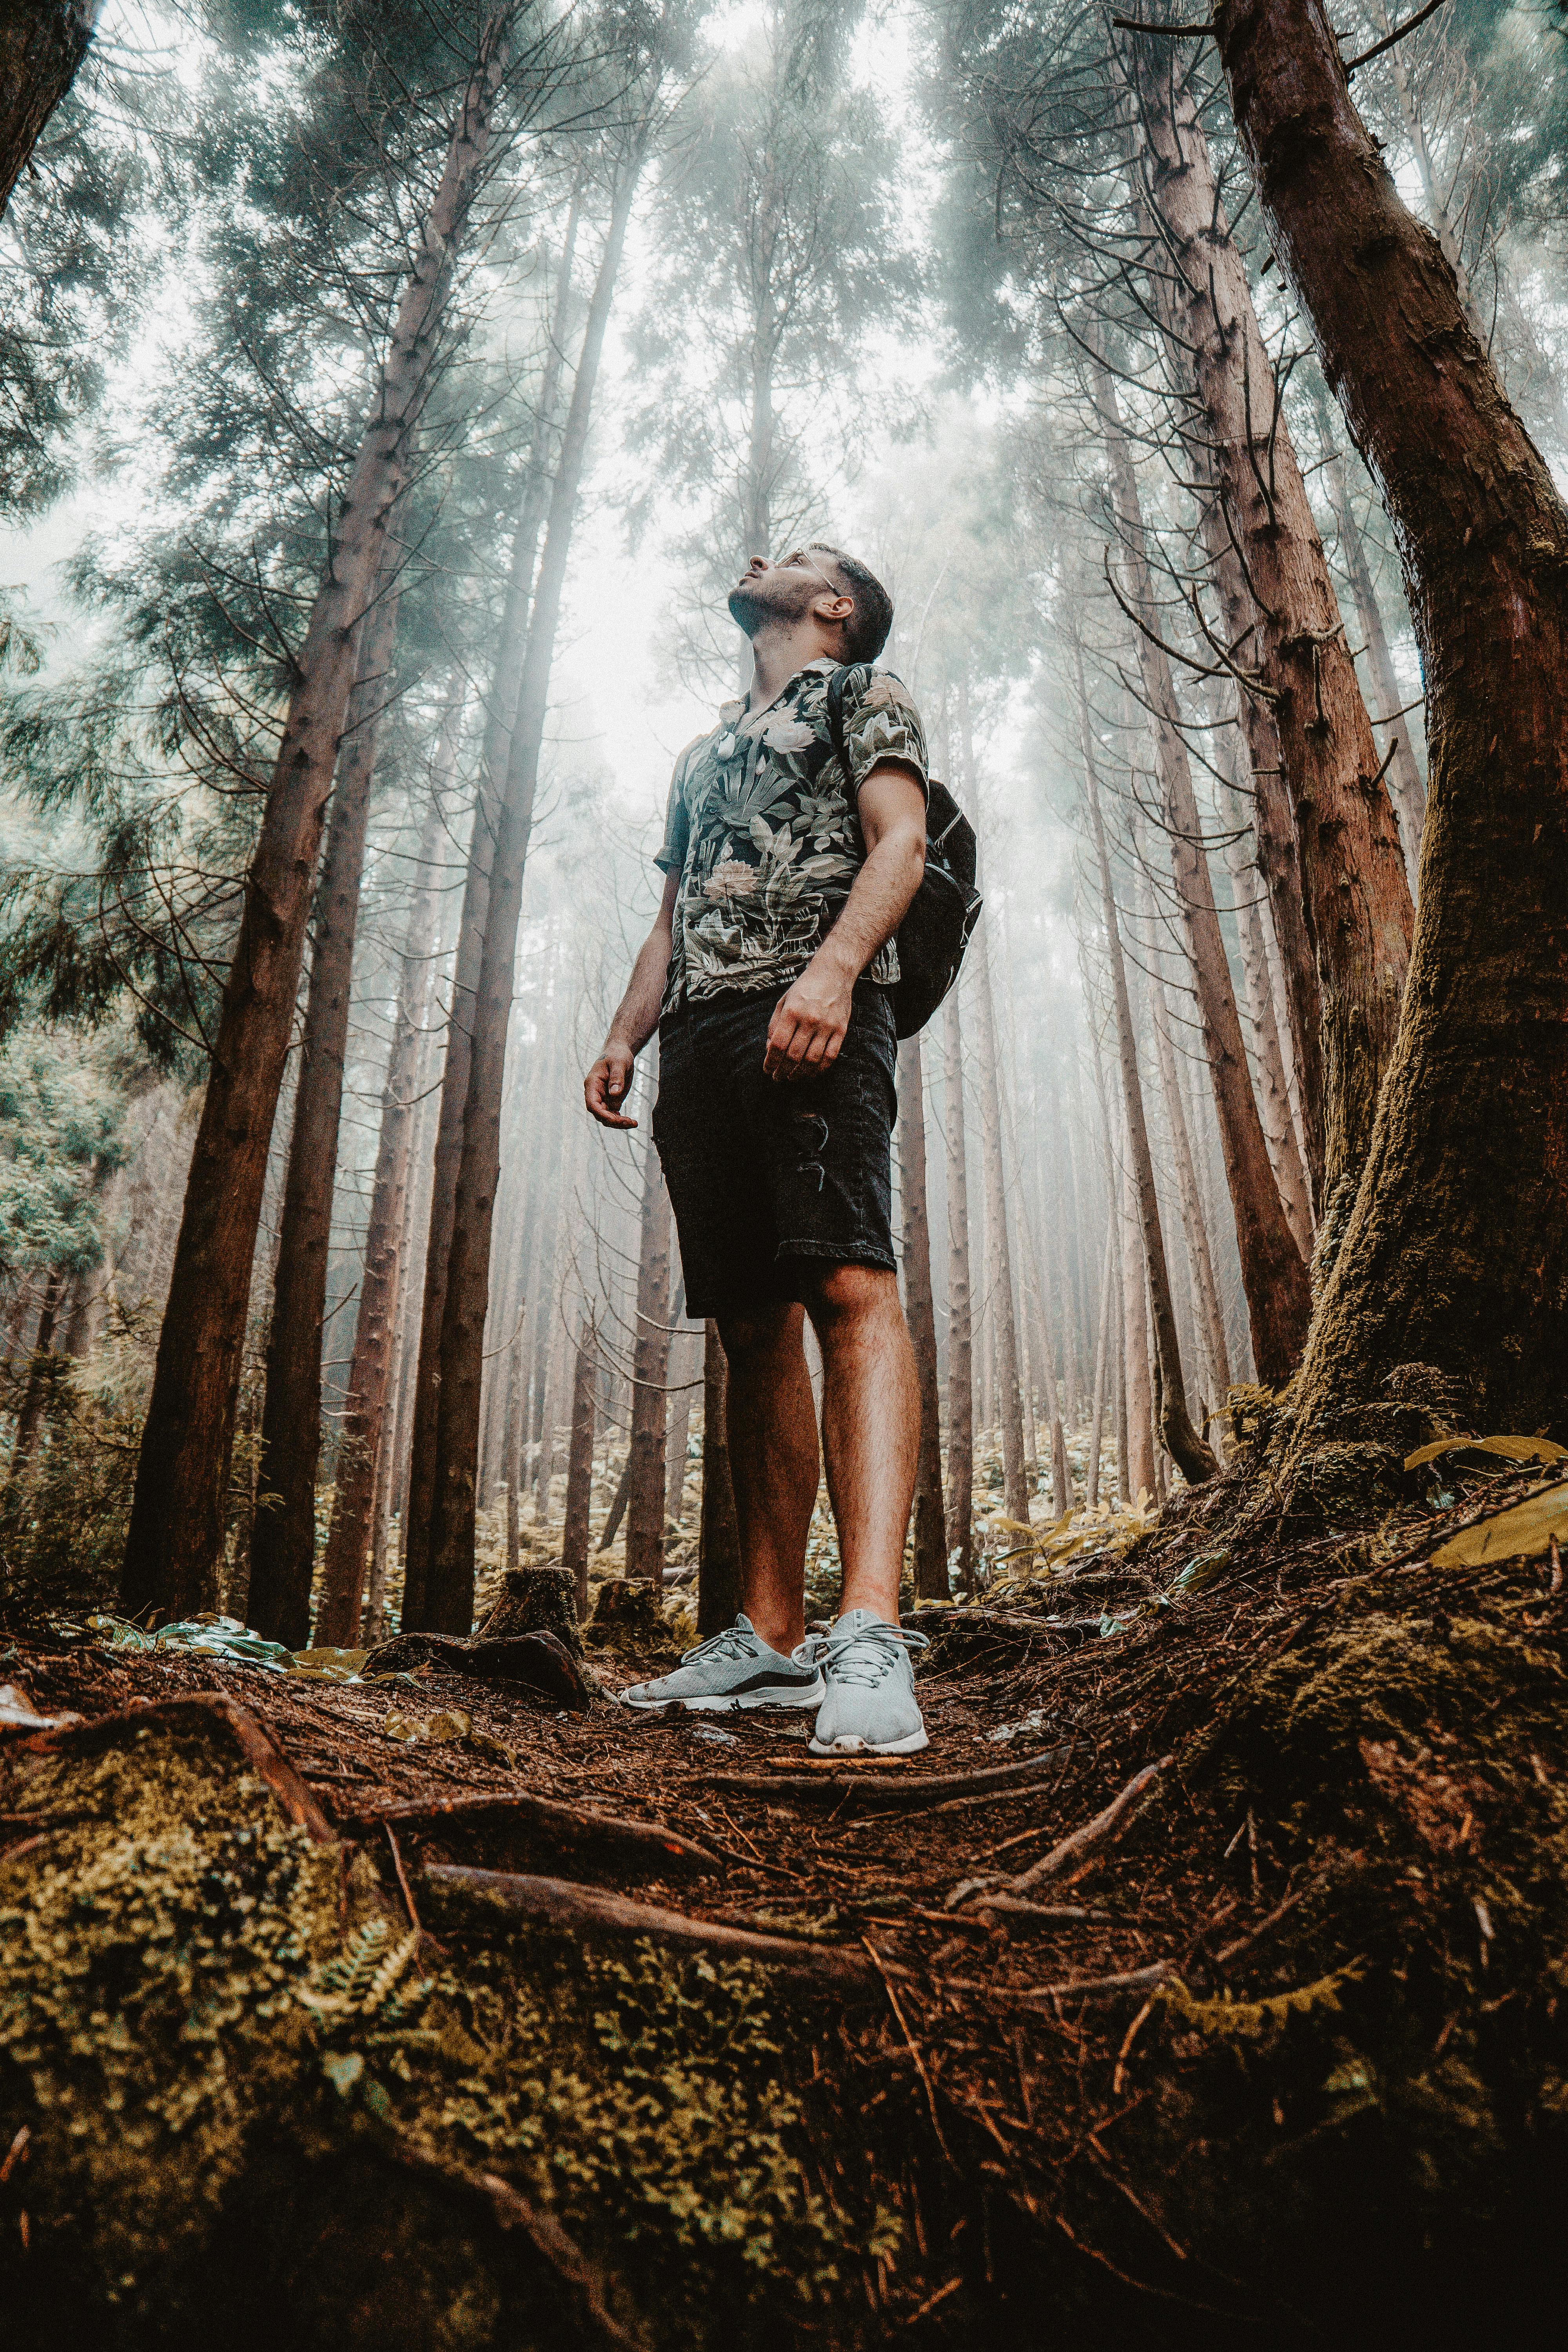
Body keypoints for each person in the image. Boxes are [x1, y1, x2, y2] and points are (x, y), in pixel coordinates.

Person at [584, 544, 935, 1753]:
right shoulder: (697, 755)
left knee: (848, 1281)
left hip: (822, 1009)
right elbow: (670, 918)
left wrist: (835, 975)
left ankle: (873, 1628)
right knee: (746, 1321)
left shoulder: (861, 696)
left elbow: (902, 843)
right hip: (701, 1036)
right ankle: (769, 1639)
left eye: (793, 557)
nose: (756, 561)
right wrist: (628, 1034)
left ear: (837, 607)